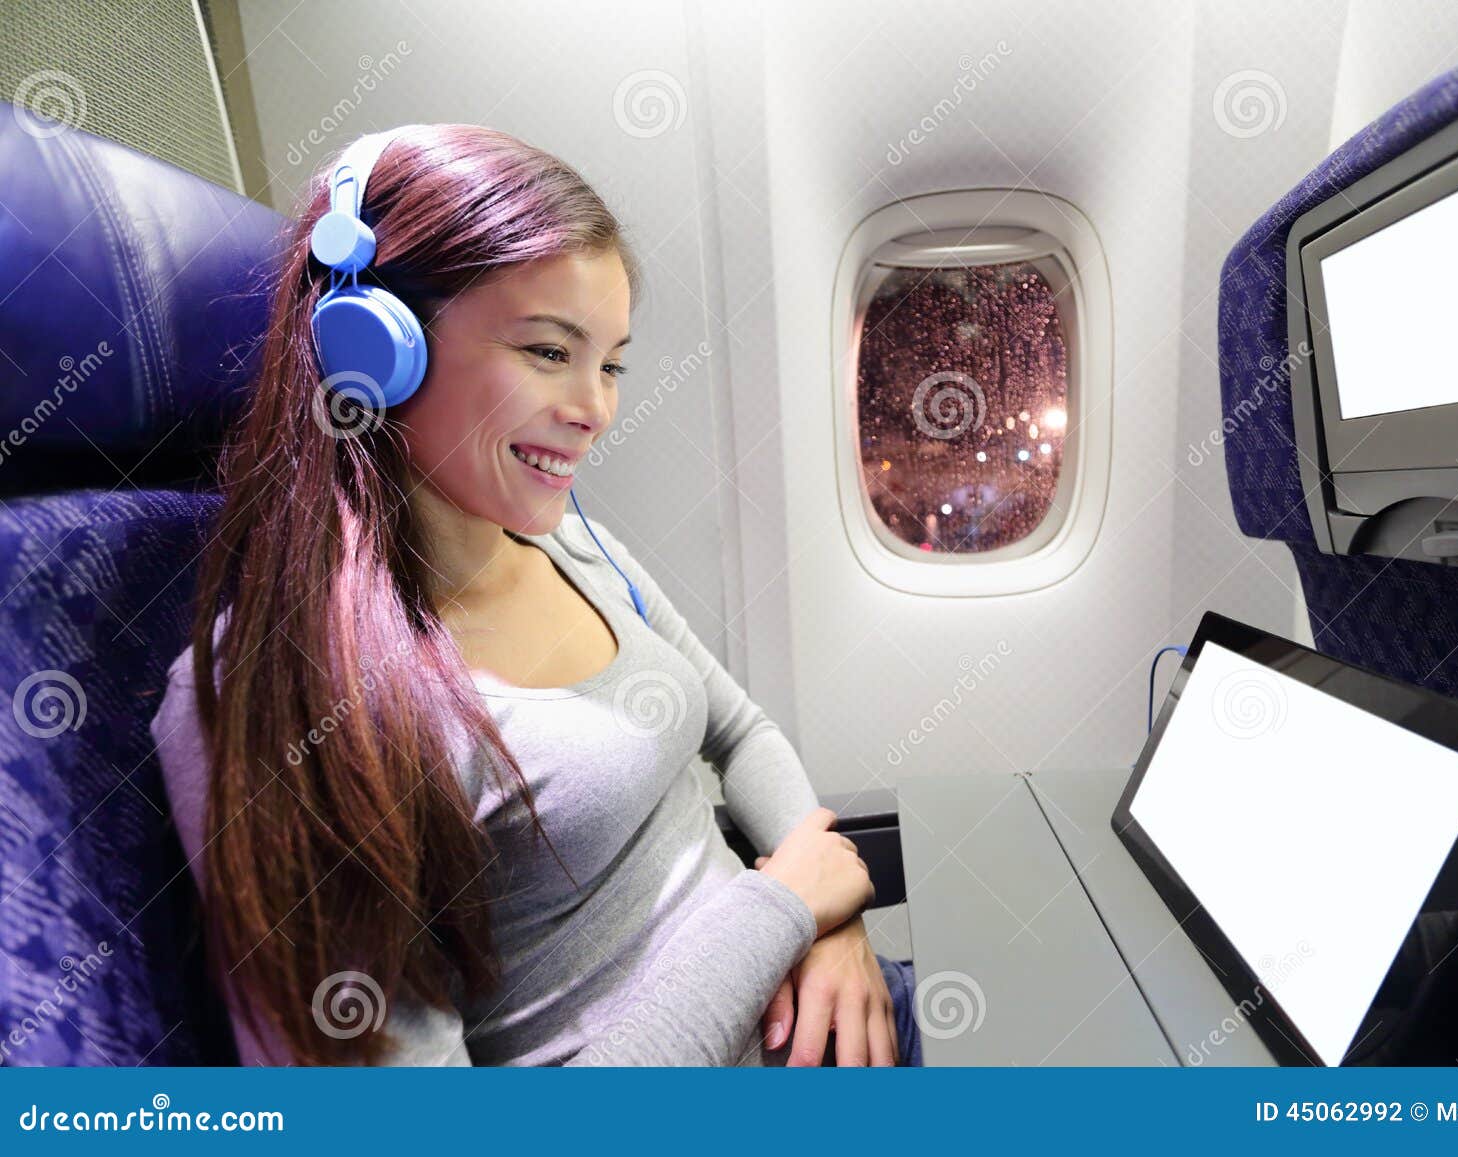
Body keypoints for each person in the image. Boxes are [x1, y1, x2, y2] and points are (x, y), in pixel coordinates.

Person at [148, 123, 921, 1067]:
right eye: (550, 352)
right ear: (373, 349)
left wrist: (832, 920)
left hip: (818, 997)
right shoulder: (287, 696)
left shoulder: (567, 541)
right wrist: (785, 905)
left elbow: (741, 731)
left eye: (612, 362)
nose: (594, 407)